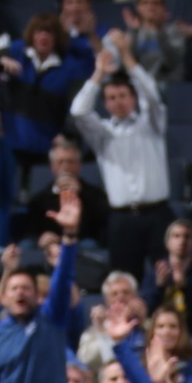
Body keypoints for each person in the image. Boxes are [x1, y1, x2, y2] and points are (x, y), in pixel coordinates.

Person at [69, 34, 172, 281]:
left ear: (133, 98)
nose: (118, 102)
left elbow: (153, 95)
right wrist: (98, 75)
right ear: (105, 104)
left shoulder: (152, 125)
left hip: (158, 215)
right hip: (122, 219)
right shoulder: (103, 133)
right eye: (112, 98)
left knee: (167, 277)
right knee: (124, 281)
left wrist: (127, 57)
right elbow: (79, 111)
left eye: (123, 96)